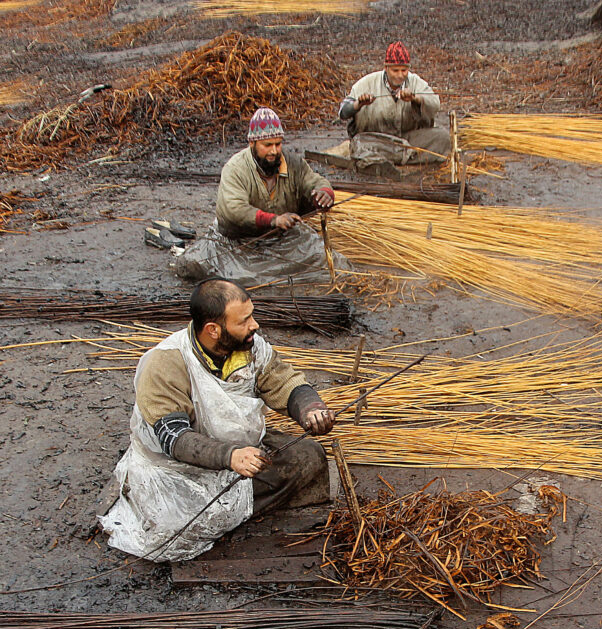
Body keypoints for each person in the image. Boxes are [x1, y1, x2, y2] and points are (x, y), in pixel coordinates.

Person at [99, 278, 336, 562]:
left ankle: (240, 504)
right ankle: (238, 507)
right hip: (177, 466)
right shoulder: (165, 363)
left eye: (252, 316)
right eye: (244, 320)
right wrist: (229, 455)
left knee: (310, 455)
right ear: (213, 329)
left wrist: (310, 408)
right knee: (173, 525)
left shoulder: (250, 346)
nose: (255, 325)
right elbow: (175, 439)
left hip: (239, 447)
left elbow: (284, 381)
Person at [172, 107, 346, 286]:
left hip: (282, 239)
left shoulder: (293, 164)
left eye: (278, 144)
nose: (274, 151)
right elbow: (234, 210)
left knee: (329, 261)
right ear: (252, 143)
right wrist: (274, 220)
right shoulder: (236, 169)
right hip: (239, 242)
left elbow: (315, 181)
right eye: (267, 145)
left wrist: (325, 194)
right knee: (204, 269)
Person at [337, 41, 451, 177]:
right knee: (360, 145)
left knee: (443, 138)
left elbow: (435, 105)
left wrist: (415, 99)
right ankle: (403, 158)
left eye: (404, 70)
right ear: (386, 67)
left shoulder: (415, 82)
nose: (400, 75)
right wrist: (358, 104)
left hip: (407, 140)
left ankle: (388, 159)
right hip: (376, 141)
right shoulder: (366, 83)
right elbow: (343, 112)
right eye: (395, 70)